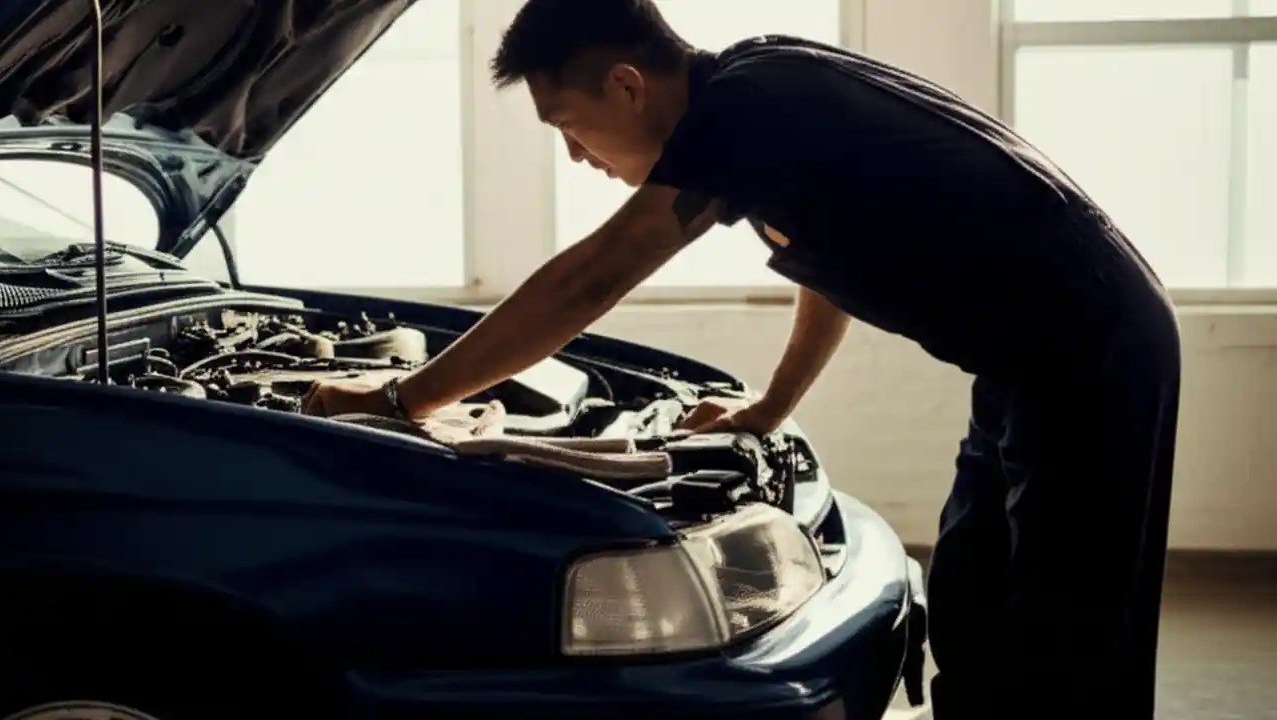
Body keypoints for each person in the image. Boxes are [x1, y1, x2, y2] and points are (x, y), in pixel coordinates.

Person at [301, 1, 1182, 717]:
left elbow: (595, 276)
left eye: (568, 125)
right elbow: (829, 263)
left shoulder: (746, 109)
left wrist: (403, 399)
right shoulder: (759, 97)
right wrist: (769, 404)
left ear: (626, 84)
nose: (573, 155)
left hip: (1089, 349)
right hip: (1034, 361)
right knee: (977, 602)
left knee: (1065, 641)